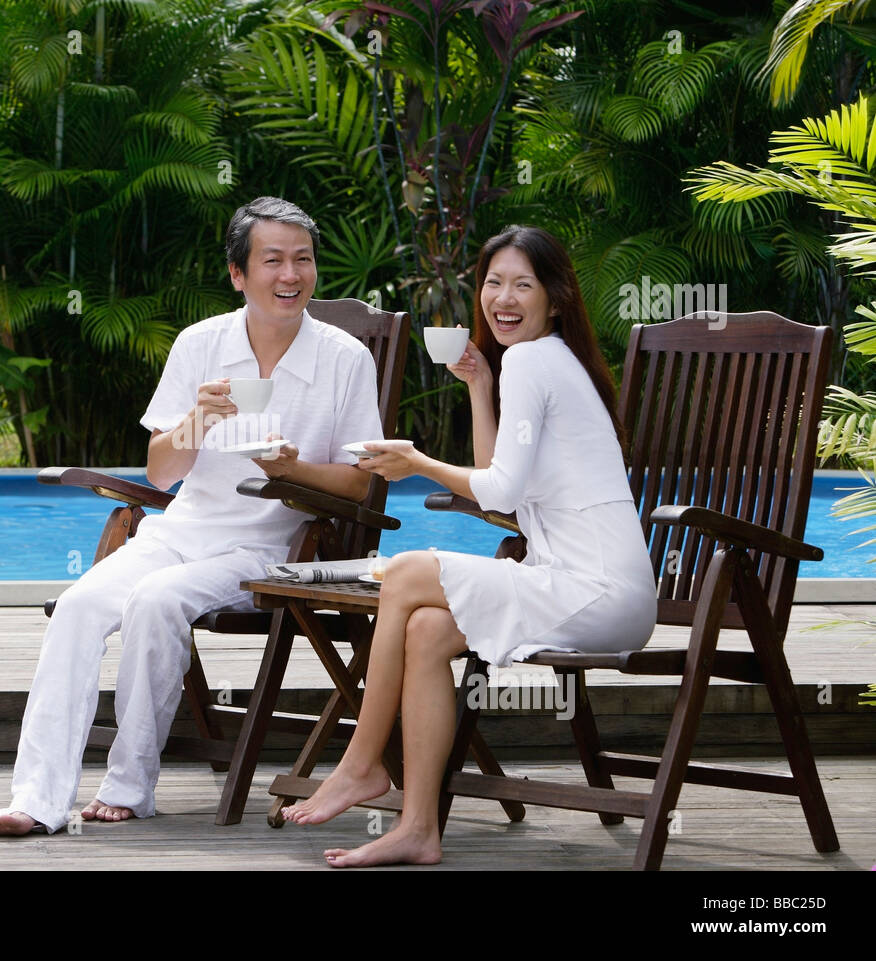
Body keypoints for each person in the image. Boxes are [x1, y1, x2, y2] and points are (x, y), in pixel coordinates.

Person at [0, 197, 385, 836]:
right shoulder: (201, 343)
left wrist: (292, 470)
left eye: (303, 260)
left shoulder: (344, 358)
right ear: (237, 274)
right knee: (80, 607)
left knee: (157, 602)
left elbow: (362, 484)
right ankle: (36, 799)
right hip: (182, 531)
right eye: (272, 260)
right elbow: (163, 475)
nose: (291, 275)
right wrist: (196, 422)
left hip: (274, 549)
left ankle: (129, 785)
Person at [280, 225, 658, 867]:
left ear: (557, 298)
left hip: (594, 592)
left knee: (402, 572)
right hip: (583, 587)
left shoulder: (538, 361)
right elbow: (501, 500)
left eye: (522, 284)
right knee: (426, 629)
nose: (502, 299)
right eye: (492, 283)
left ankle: (361, 763)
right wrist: (480, 386)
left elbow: (499, 485)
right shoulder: (541, 362)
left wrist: (418, 461)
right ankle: (419, 828)